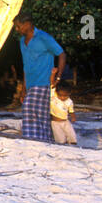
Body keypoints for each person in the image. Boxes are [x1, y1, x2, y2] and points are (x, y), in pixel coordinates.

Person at [14, 14, 66, 142]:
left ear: (27, 24)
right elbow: (26, 65)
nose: (16, 29)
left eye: (18, 26)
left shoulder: (44, 37)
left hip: (43, 82)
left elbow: (61, 54)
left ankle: (31, 139)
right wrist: (23, 88)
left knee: (28, 107)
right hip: (30, 84)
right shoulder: (22, 41)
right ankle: (44, 139)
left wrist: (58, 78)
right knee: (41, 114)